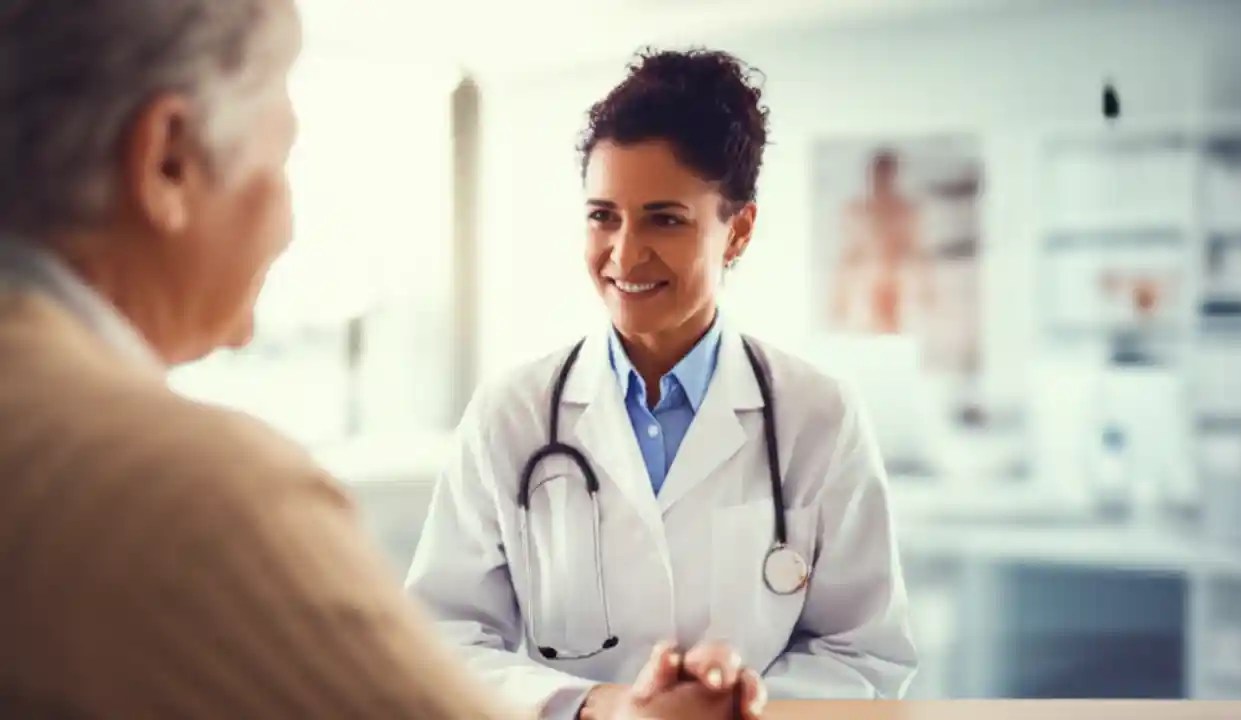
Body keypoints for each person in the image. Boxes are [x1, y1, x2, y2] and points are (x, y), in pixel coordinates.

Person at [0, 3, 720, 718]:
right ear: (169, 161)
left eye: (665, 219)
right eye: (281, 158)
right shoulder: (193, 496)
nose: (288, 225)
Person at [406, 48, 919, 720]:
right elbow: (442, 639)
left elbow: (865, 652)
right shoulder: (511, 414)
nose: (624, 253)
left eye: (665, 218)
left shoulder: (819, 416)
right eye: (603, 216)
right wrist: (601, 705)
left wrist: (733, 706)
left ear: (738, 232)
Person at [829, 151, 934, 334]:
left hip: (895, 281)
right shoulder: (857, 211)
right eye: (878, 176)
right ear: (871, 177)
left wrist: (927, 287)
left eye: (886, 176)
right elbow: (848, 255)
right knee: (868, 331)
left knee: (893, 330)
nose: (882, 181)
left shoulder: (905, 212)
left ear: (894, 177)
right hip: (868, 281)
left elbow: (916, 251)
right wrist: (840, 297)